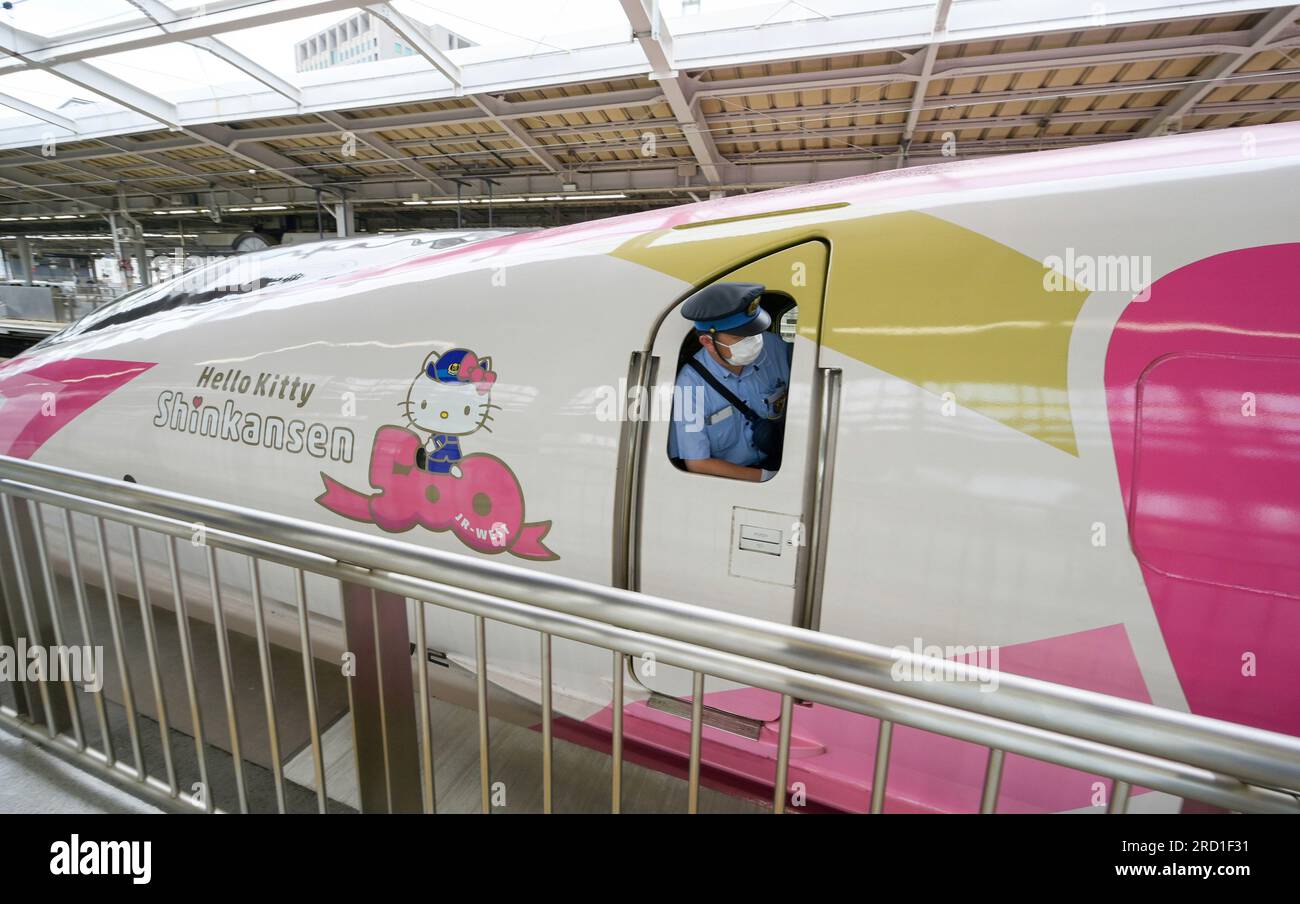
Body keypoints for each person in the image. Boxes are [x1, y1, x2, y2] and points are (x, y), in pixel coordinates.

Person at [668, 281, 791, 482]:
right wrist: (767, 478)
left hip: (781, 458)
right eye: (739, 337)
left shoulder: (774, 347)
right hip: (733, 480)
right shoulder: (689, 387)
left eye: (755, 332)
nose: (754, 341)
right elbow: (698, 462)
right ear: (708, 342)